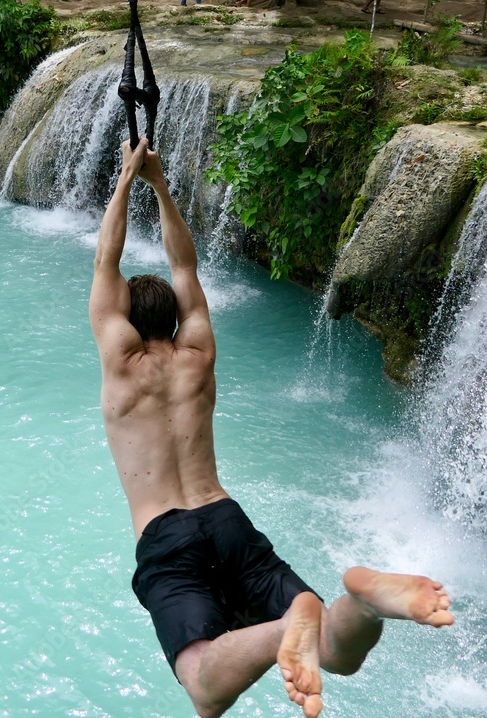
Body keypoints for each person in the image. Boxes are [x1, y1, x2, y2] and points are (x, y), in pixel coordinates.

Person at [90, 138, 455, 718]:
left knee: (206, 690)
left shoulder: (121, 361)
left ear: (128, 322)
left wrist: (124, 179)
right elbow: (183, 264)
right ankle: (364, 602)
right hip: (225, 516)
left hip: (166, 536)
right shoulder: (199, 354)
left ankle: (286, 627)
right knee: (336, 652)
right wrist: (158, 184)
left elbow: (105, 263)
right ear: (176, 320)